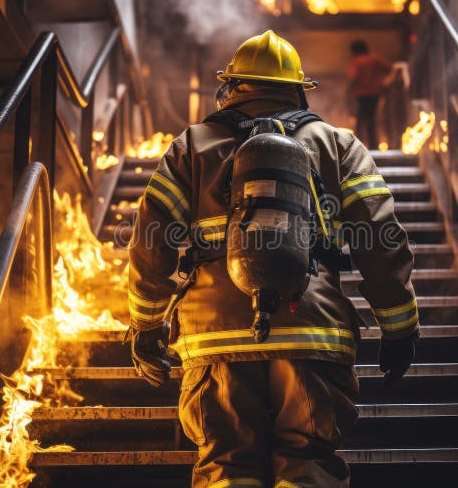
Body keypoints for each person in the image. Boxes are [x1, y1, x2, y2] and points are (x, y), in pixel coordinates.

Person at [127, 30, 418, 488]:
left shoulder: (191, 146)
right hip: (313, 332)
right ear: (299, 89)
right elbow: (382, 238)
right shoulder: (337, 144)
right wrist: (399, 326)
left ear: (231, 87)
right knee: (307, 465)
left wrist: (146, 325)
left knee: (227, 466)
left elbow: (150, 241)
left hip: (214, 337)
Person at [347, 40, 392, 148]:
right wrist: (384, 83)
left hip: (362, 95)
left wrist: (349, 91)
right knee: (371, 120)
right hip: (375, 94)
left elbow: (354, 79)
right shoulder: (376, 59)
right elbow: (390, 69)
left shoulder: (357, 62)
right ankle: (373, 144)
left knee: (361, 120)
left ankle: (358, 145)